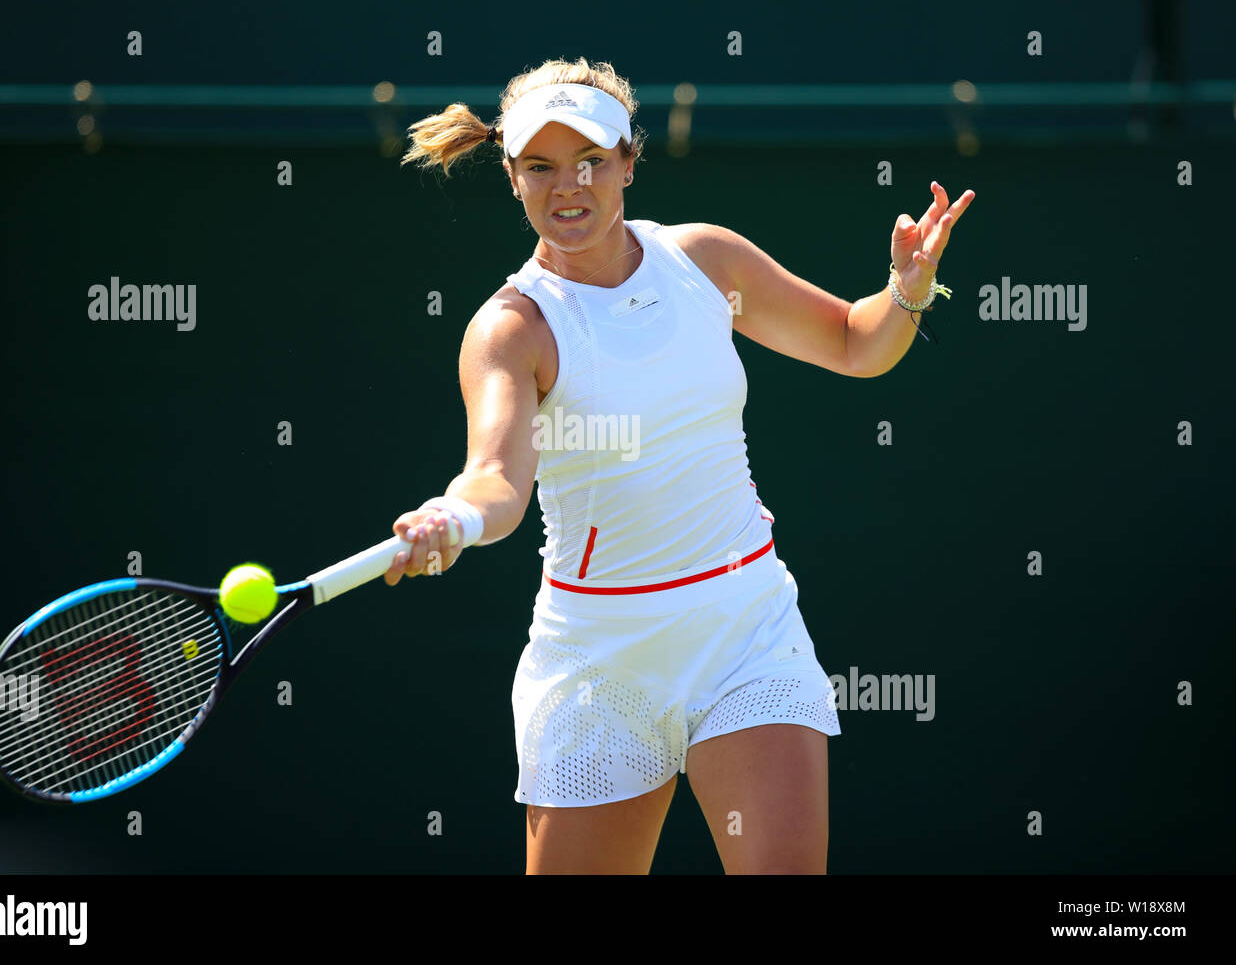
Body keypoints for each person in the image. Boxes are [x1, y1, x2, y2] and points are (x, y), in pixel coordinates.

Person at [389, 57, 974, 874]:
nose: (569, 187)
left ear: (630, 160)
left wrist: (905, 288)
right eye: (541, 167)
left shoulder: (707, 263)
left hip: (744, 630)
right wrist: (452, 517)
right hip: (597, 660)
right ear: (512, 176)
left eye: (591, 160)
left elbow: (854, 340)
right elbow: (496, 478)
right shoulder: (511, 328)